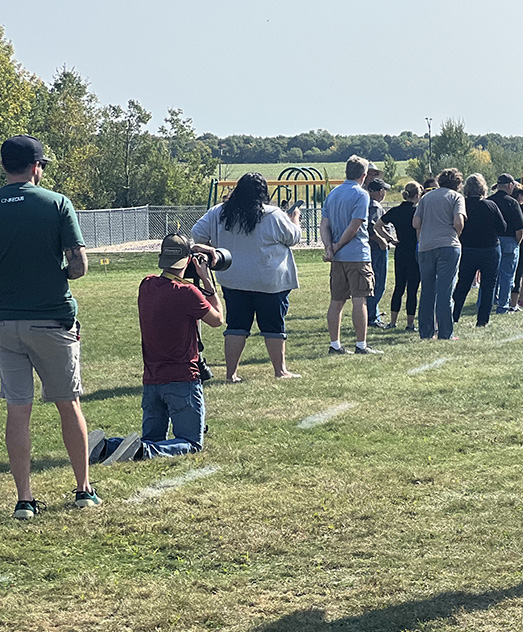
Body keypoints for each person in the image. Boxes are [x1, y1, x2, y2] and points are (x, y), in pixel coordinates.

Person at [0, 134, 99, 518]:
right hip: (51, 318)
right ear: (37, 167)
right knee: (67, 403)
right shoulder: (57, 203)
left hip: (4, 322)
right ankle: (83, 489)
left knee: (17, 409)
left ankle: (24, 498)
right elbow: (78, 266)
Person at [90, 234, 224, 465]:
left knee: (152, 437)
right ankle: (143, 452)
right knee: (191, 443)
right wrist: (206, 279)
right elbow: (218, 319)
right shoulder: (188, 293)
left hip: (152, 380)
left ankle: (105, 447)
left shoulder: (147, 285)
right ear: (188, 261)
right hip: (182, 379)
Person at [192, 172, 302, 381]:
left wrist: (215, 247)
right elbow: (293, 238)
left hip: (232, 278)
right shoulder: (273, 214)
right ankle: (280, 370)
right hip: (268, 280)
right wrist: (294, 219)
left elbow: (198, 233)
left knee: (236, 326)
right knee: (274, 326)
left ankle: (231, 373)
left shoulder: (219, 212)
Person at [320, 155, 381, 355]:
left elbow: (325, 224)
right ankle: (361, 344)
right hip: (357, 255)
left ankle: (335, 344)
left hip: (337, 258)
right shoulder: (361, 195)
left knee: (336, 301)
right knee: (359, 299)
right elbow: (355, 226)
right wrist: (337, 245)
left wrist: (329, 247)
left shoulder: (333, 194)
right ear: (364, 176)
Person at [413, 168, 466, 340]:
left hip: (425, 247)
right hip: (448, 245)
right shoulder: (456, 197)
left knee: (427, 291)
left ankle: (426, 332)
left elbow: (416, 222)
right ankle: (445, 332)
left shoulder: (426, 197)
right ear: (457, 184)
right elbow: (458, 220)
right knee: (444, 291)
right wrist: (456, 234)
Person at [452, 173, 506, 327]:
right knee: (488, 286)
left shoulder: (462, 205)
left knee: (463, 284)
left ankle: (454, 315)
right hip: (489, 249)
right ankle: (482, 320)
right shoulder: (490, 205)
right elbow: (502, 227)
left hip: (467, 248)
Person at [382, 181, 422, 331]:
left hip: (400, 251)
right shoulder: (417, 212)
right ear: (417, 195)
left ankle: (393, 321)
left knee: (399, 287)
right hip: (415, 252)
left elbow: (378, 225)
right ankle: (410, 323)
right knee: (412, 290)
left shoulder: (396, 211)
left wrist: (390, 238)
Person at [488, 173, 523, 314]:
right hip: (510, 240)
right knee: (507, 276)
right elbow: (520, 229)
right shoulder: (512, 203)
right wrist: (516, 242)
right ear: (510, 186)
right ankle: (503, 305)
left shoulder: (489, 201)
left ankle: (487, 302)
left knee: (491, 275)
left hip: (492, 241)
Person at [365, 178, 395, 328]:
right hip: (377, 249)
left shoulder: (365, 203)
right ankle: (371, 317)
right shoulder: (375, 206)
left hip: (369, 249)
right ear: (378, 191)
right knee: (378, 284)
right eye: (382, 190)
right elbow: (371, 227)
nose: (383, 193)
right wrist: (382, 241)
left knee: (372, 282)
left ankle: (373, 314)